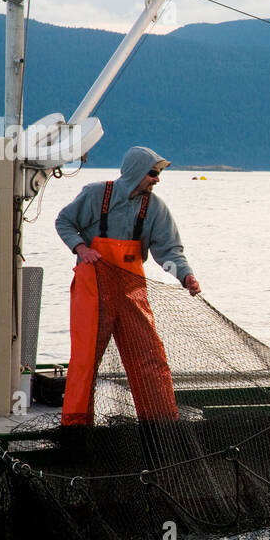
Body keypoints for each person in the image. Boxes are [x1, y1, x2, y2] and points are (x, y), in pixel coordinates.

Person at [55, 146, 201, 426]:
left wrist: (185, 276)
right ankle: (75, 426)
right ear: (136, 171)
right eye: (153, 173)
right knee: (85, 361)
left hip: (131, 292)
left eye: (158, 174)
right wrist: (82, 249)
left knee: (149, 357)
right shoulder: (96, 194)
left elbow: (169, 251)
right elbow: (64, 221)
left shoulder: (155, 208)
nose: (157, 179)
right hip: (93, 291)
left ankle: (160, 423)